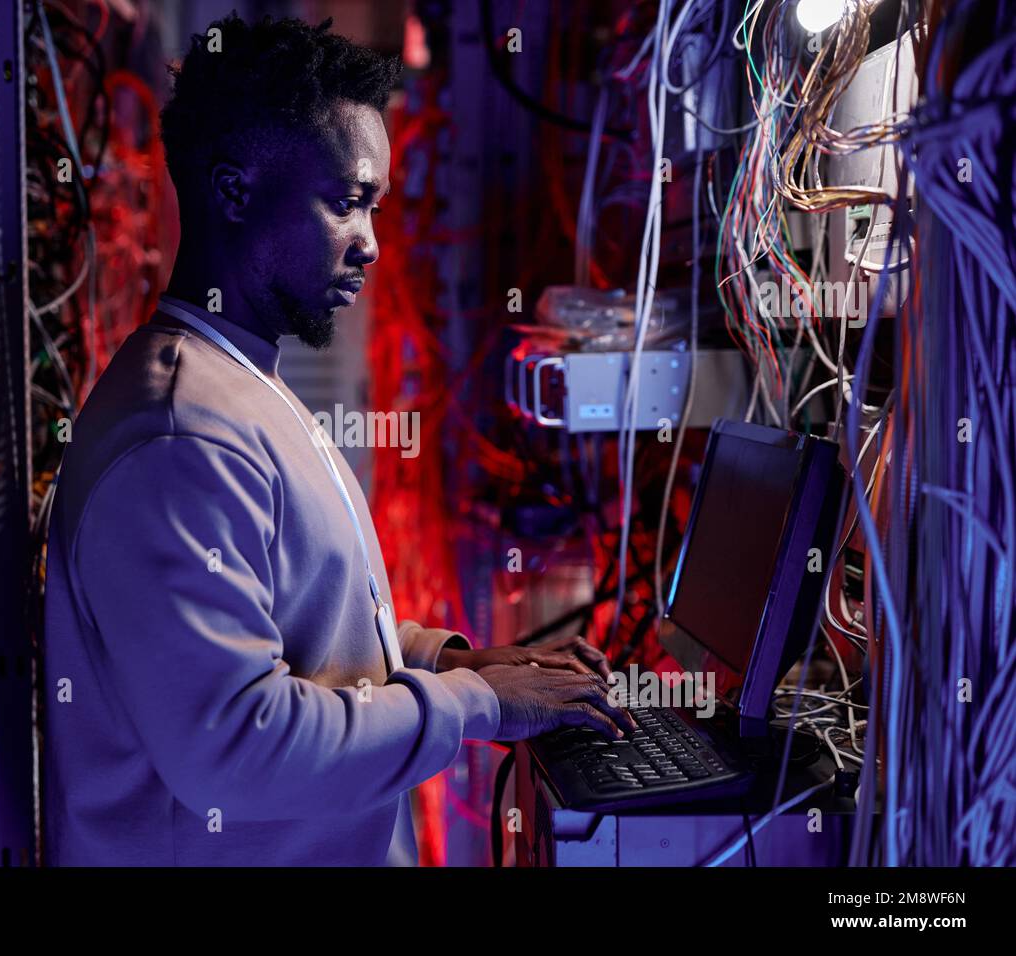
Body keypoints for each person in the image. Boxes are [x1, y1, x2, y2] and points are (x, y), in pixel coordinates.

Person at [41, 12, 633, 866]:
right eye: (348, 203)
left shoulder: (237, 384)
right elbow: (237, 748)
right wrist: (472, 706)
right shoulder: (178, 440)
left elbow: (297, 636)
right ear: (235, 191)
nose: (373, 245)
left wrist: (456, 660)